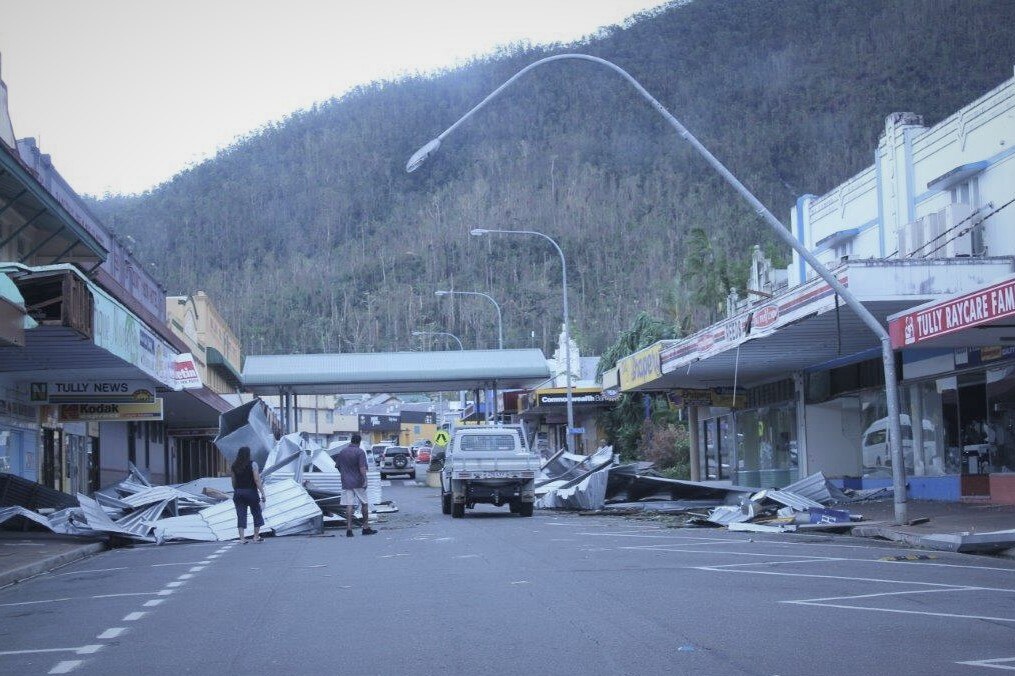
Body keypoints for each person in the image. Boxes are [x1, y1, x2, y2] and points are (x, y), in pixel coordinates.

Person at [334, 433, 377, 537]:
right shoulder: (360, 452)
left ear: (351, 441)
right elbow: (362, 468)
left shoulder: (342, 452)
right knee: (364, 504)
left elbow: (338, 466)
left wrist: (344, 475)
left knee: (349, 505)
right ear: (359, 442)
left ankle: (349, 529)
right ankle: (365, 527)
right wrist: (365, 480)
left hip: (346, 482)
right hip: (358, 482)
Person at [231, 446, 266, 543]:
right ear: (248, 454)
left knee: (241, 514)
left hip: (238, 492)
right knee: (256, 513)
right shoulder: (253, 464)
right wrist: (262, 493)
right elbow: (257, 480)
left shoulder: (234, 465)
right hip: (251, 492)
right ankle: (255, 537)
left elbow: (233, 481)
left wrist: (237, 490)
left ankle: (242, 538)